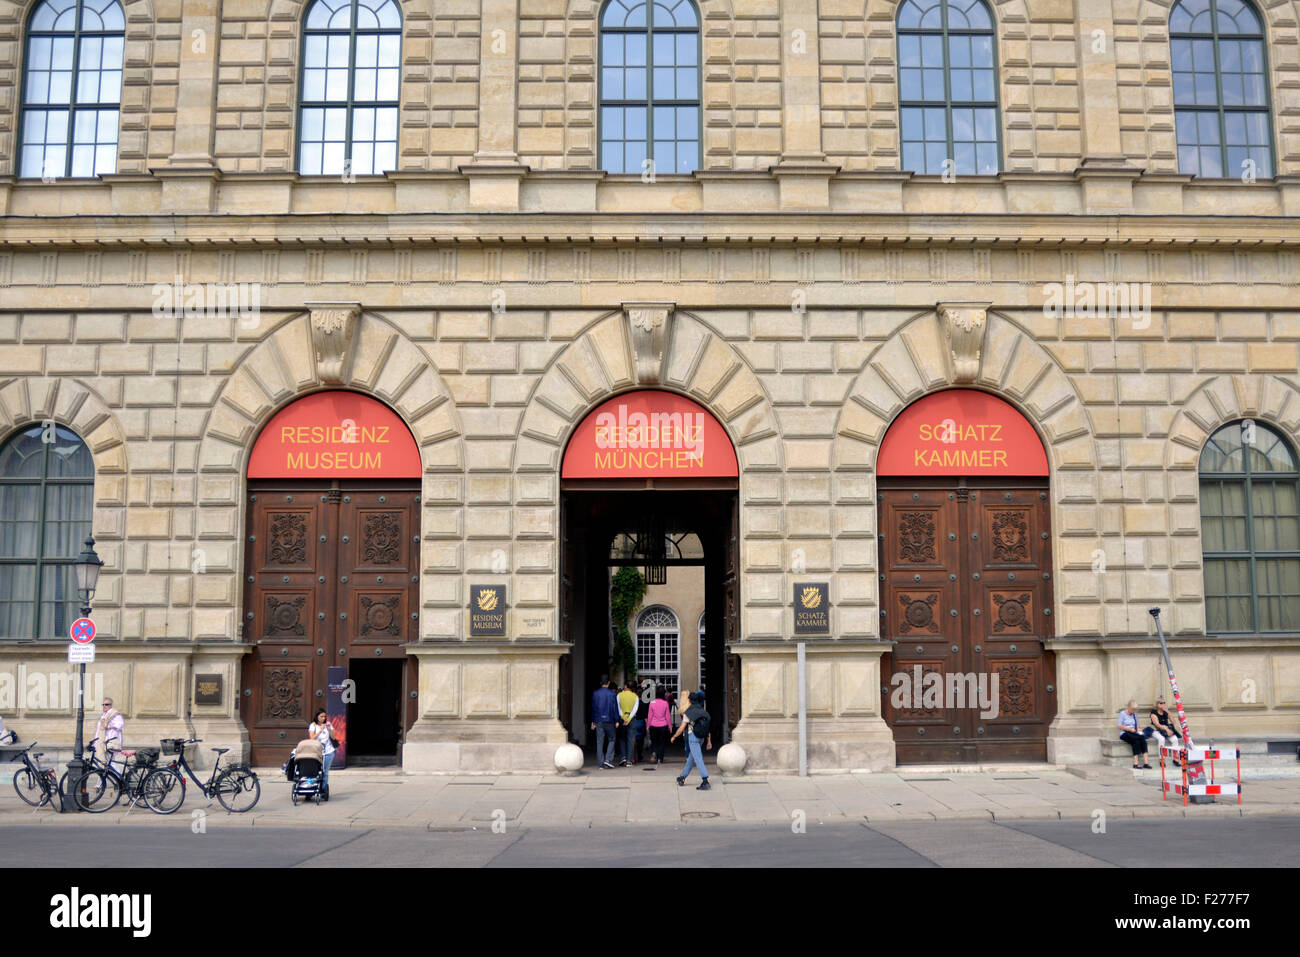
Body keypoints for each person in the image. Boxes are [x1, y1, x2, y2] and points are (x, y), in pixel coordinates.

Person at [670, 690, 712, 789]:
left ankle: (705, 780)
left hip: (693, 737)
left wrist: (674, 736)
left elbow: (681, 728)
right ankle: (682, 777)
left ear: (689, 700)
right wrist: (709, 741)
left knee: (698, 758)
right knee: (691, 758)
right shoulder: (703, 711)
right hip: (702, 737)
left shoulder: (688, 712)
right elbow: (707, 727)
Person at [590, 675, 619, 769]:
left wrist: (593, 720)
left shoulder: (595, 693)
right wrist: (617, 720)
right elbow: (615, 708)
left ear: (600, 683)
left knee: (599, 742)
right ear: (609, 683)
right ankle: (608, 759)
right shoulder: (612, 694)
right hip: (610, 719)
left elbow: (594, 708)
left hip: (599, 720)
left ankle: (600, 764)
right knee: (612, 739)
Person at [308, 709, 336, 800]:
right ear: (317, 717)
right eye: (321, 716)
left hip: (328, 751)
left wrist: (329, 728)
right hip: (316, 752)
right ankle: (312, 789)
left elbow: (334, 737)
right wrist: (320, 730)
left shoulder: (328, 724)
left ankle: (323, 790)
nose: (323, 718)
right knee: (315, 771)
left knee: (325, 772)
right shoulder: (313, 725)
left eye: (325, 716)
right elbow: (312, 738)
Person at [1118, 699, 1150, 769]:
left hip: (1134, 733)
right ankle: (1135, 764)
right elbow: (1119, 726)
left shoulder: (1134, 714)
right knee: (1137, 740)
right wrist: (1129, 729)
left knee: (1142, 739)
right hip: (1125, 733)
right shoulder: (1122, 714)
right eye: (1133, 710)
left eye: (1135, 710)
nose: (1134, 711)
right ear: (1129, 708)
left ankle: (1146, 763)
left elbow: (1137, 726)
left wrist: (1138, 729)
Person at [646, 686, 671, 765]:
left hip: (653, 725)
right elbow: (668, 716)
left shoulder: (652, 702)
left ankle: (654, 752)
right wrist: (670, 726)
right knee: (662, 742)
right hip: (663, 725)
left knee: (654, 741)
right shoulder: (665, 703)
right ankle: (660, 758)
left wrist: (647, 725)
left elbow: (650, 715)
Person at [617, 679, 639, 766]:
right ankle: (629, 760)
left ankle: (623, 757)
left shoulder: (619, 695)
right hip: (632, 719)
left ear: (626, 686)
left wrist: (623, 718)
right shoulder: (635, 696)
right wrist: (629, 719)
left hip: (622, 718)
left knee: (622, 738)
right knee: (630, 739)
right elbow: (635, 709)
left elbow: (618, 708)